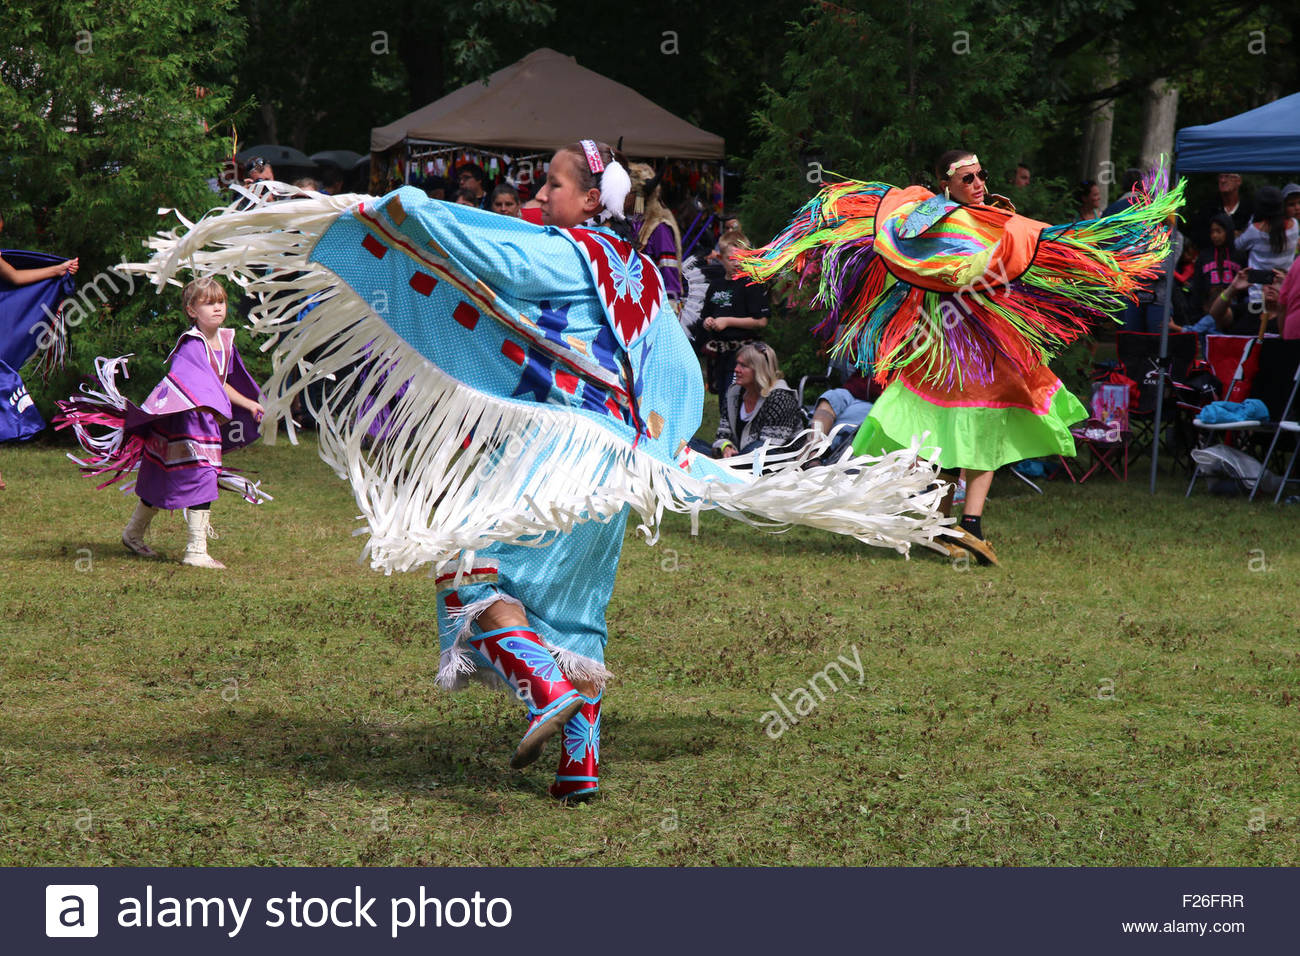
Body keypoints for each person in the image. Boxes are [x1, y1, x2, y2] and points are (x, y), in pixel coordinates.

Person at [126, 138, 951, 801]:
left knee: (468, 568)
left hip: (561, 457)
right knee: (573, 613)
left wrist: (402, 207)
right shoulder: (640, 279)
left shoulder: (569, 250)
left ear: (593, 199)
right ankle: (579, 760)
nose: (543, 193)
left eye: (554, 183)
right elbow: (676, 378)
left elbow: (498, 254)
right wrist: (662, 451)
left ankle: (540, 686)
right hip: (615, 473)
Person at [739, 148, 1182, 565]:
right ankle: (966, 524)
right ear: (946, 183)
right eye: (967, 177)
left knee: (960, 430)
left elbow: (1031, 240)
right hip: (947, 343)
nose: (978, 183)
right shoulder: (931, 218)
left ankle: (946, 524)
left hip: (983, 338)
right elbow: (902, 243)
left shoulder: (995, 218)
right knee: (971, 427)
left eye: (981, 175)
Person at [55, 278, 266, 568]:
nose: (217, 308)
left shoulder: (225, 342)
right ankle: (195, 551)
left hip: (203, 424)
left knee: (168, 478)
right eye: (209, 303)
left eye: (221, 302)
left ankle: (133, 533)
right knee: (202, 476)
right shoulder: (192, 344)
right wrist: (211, 404)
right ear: (192, 310)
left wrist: (248, 402)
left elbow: (220, 383)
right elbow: (184, 383)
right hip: (185, 424)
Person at [699, 232, 770, 404]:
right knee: (723, 399)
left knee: (735, 400)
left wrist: (727, 321)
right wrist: (708, 322)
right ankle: (727, 430)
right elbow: (706, 314)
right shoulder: (715, 286)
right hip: (721, 354)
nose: (737, 262)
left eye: (741, 257)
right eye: (731, 258)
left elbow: (761, 321)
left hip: (744, 354)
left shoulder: (750, 284)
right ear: (721, 258)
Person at [710, 343, 801, 458]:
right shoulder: (734, 393)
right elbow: (722, 435)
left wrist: (731, 459)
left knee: (757, 447)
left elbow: (767, 449)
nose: (736, 369)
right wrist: (726, 447)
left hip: (774, 464)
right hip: (737, 458)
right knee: (690, 444)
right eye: (737, 363)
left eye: (743, 366)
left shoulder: (780, 398)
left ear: (760, 370)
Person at [1233, 185, 1298, 313]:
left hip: (1258, 296)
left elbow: (1237, 245)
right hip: (1283, 292)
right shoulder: (1294, 226)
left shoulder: (1255, 230)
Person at [627, 163, 683, 310]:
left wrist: (670, 307)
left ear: (639, 196)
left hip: (652, 307)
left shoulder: (659, 229)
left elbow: (668, 273)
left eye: (628, 192)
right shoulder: (628, 224)